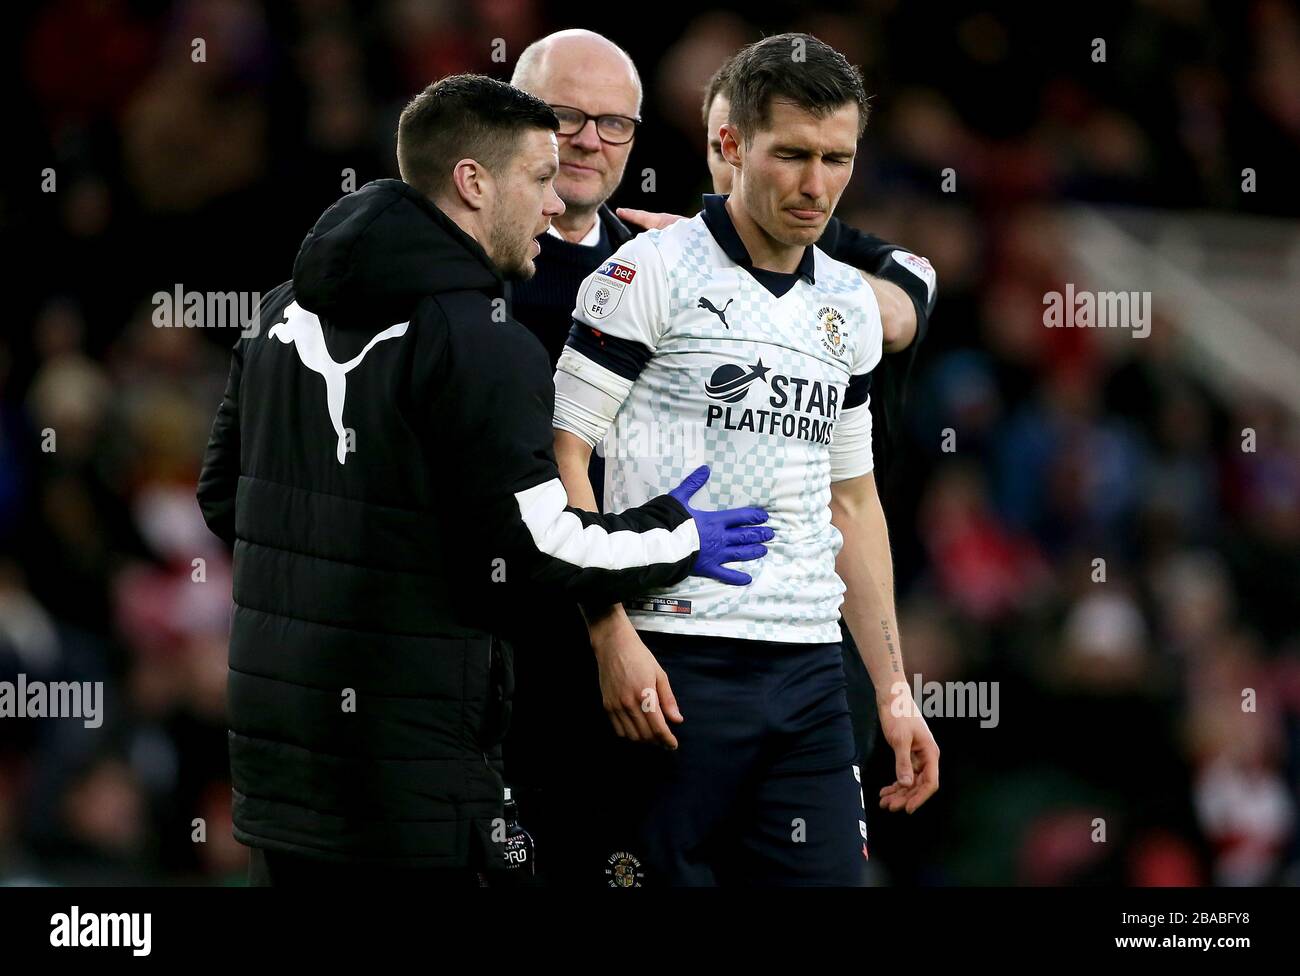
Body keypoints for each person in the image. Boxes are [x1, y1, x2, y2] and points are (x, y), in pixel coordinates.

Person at [195, 74, 773, 886]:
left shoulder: (282, 309)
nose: (551, 206)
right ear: (472, 183)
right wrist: (679, 532)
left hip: (278, 753)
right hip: (414, 764)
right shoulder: (481, 339)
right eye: (538, 181)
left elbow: (225, 495)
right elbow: (535, 544)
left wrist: (357, 569)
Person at [552, 35, 939, 885]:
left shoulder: (849, 304)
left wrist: (894, 689)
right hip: (673, 656)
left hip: (807, 674)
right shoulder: (645, 272)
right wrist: (609, 631)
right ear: (730, 147)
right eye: (792, 155)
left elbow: (854, 505)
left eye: (837, 159)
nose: (816, 186)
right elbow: (564, 459)